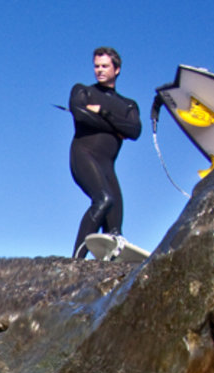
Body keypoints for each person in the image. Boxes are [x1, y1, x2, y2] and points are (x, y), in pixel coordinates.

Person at [68, 46, 141, 257]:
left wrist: (103, 113)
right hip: (83, 155)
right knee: (103, 200)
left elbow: (134, 131)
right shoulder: (83, 91)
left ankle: (107, 272)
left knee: (115, 229)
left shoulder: (128, 105)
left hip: (108, 165)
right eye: (96, 66)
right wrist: (118, 128)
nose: (99, 70)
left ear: (117, 69)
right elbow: (80, 115)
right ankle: (76, 262)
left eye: (105, 66)